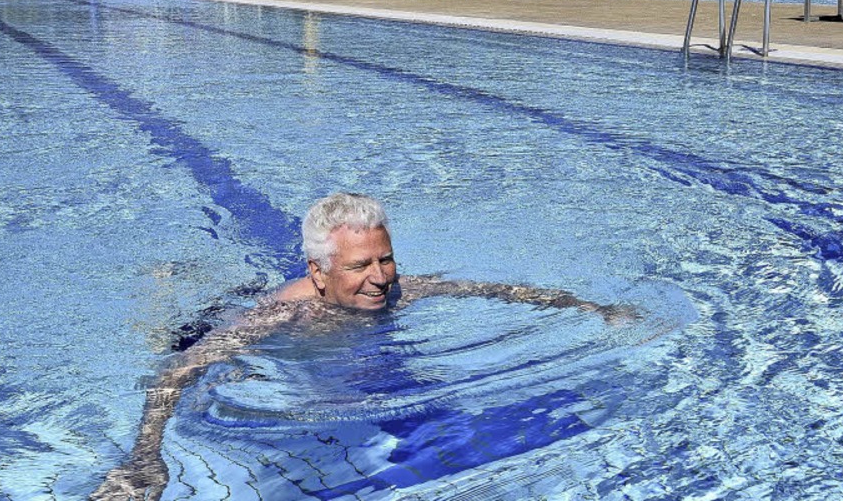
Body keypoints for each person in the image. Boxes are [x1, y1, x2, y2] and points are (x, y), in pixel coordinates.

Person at [94, 192, 632, 500]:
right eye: (359, 266)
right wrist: (145, 458)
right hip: (232, 325)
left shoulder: (402, 290)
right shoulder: (287, 313)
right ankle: (169, 284)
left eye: (385, 259)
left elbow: (494, 289)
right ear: (319, 271)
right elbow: (174, 373)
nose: (380, 278)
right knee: (189, 345)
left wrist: (597, 310)